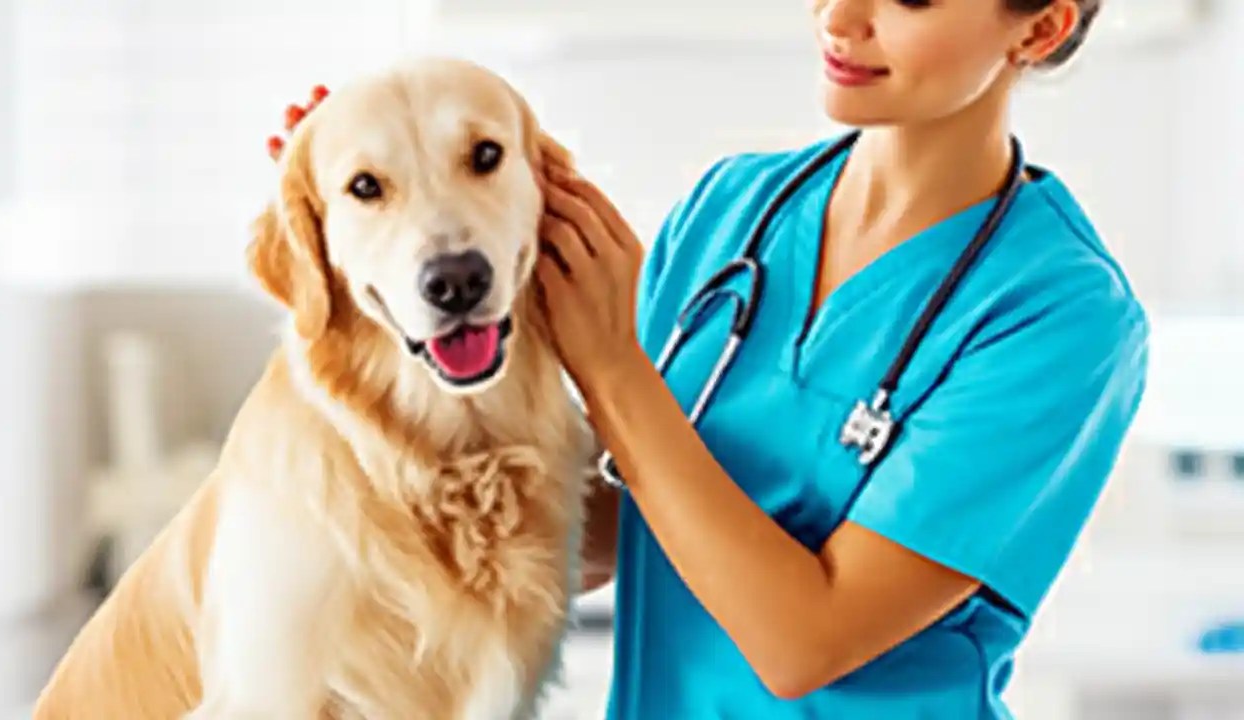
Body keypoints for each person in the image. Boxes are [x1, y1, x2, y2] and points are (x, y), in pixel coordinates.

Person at [270, 1, 1149, 717]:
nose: (841, 19)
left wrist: (612, 369)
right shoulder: (734, 207)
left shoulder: (1061, 314)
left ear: (1038, 29)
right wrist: (377, 215)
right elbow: (627, 532)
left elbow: (805, 642)